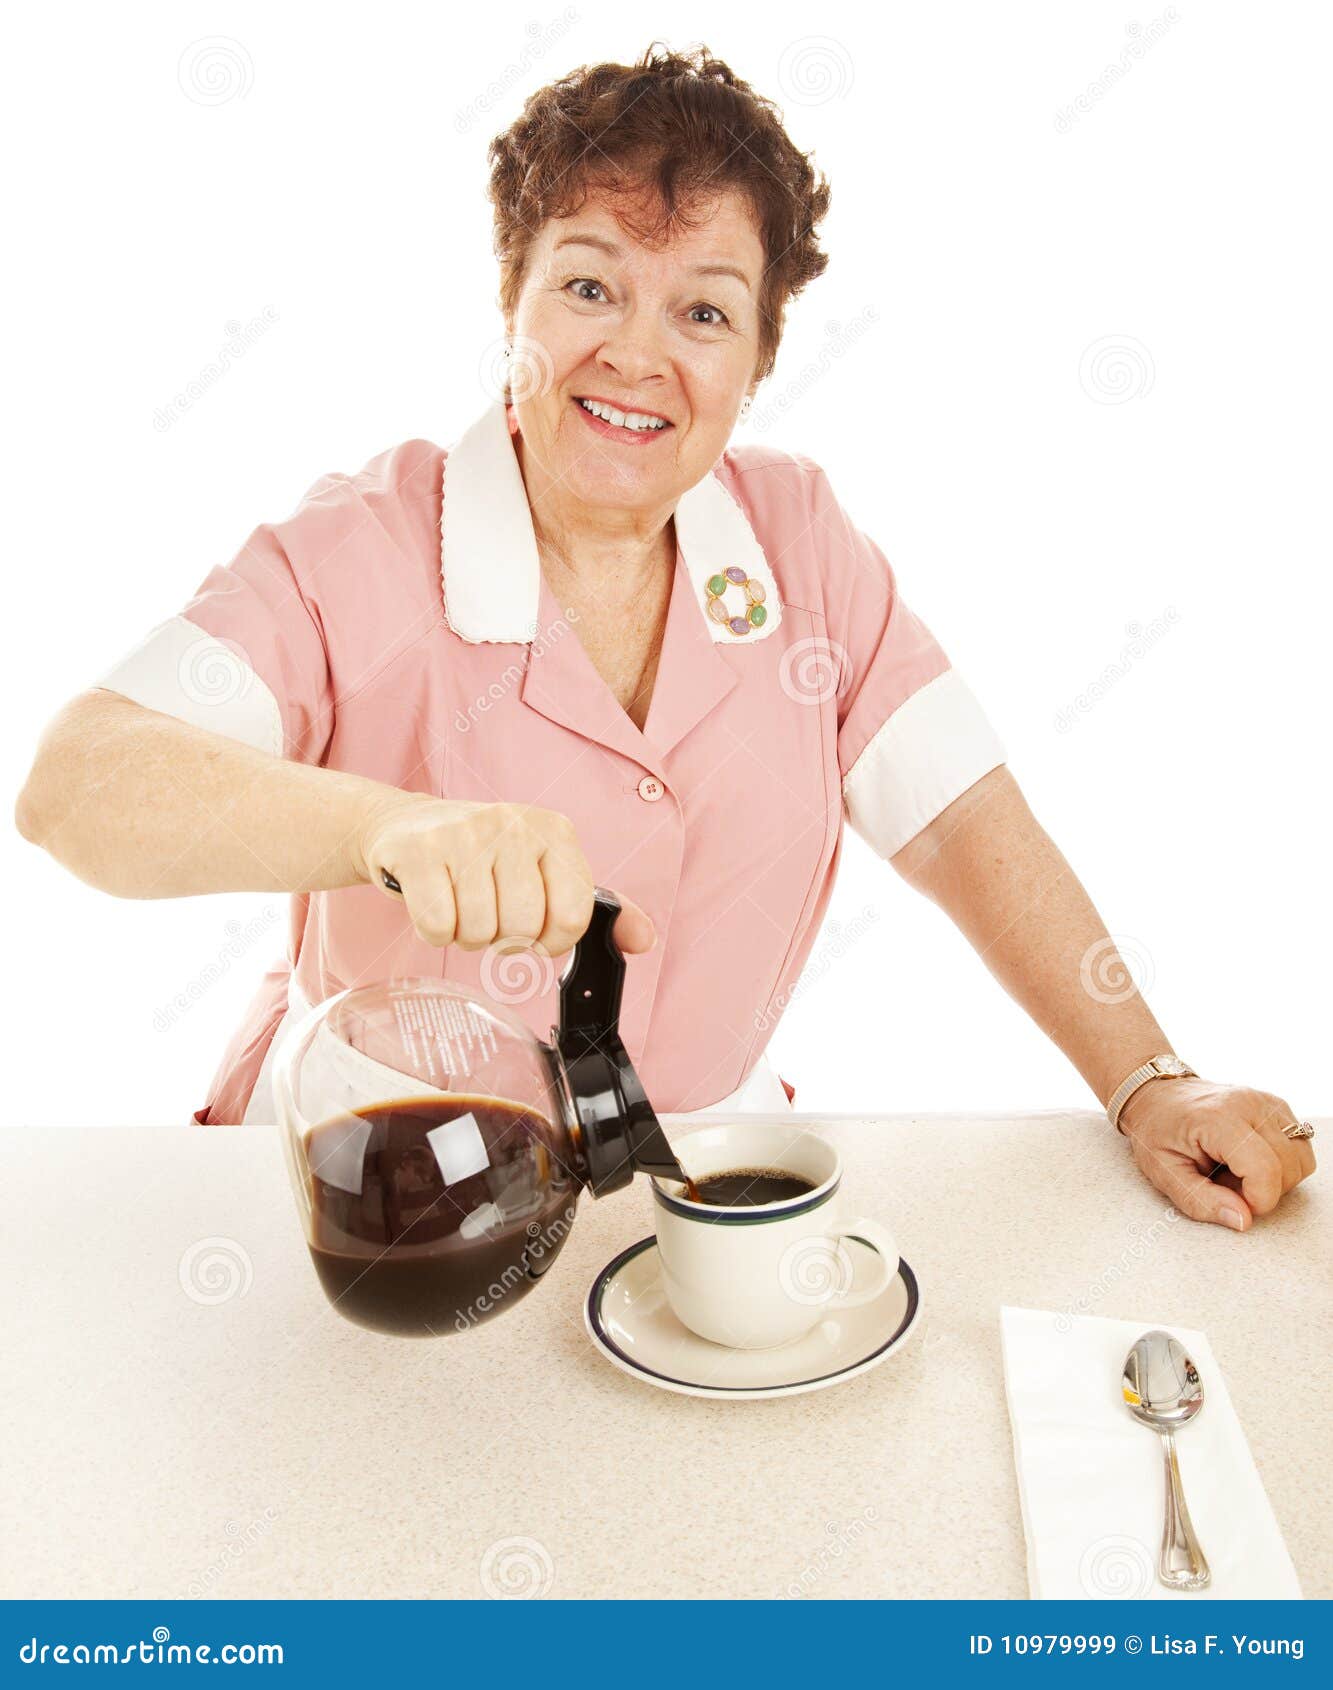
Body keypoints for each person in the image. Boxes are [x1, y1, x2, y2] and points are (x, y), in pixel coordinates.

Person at [14, 44, 1314, 1228]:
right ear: (514, 302)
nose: (637, 356)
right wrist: (383, 829)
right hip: (380, 1191)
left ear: (757, 358)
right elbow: (75, 782)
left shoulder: (799, 542)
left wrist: (1150, 1082)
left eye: (702, 312)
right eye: (590, 286)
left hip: (691, 1191)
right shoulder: (358, 550)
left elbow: (962, 818)